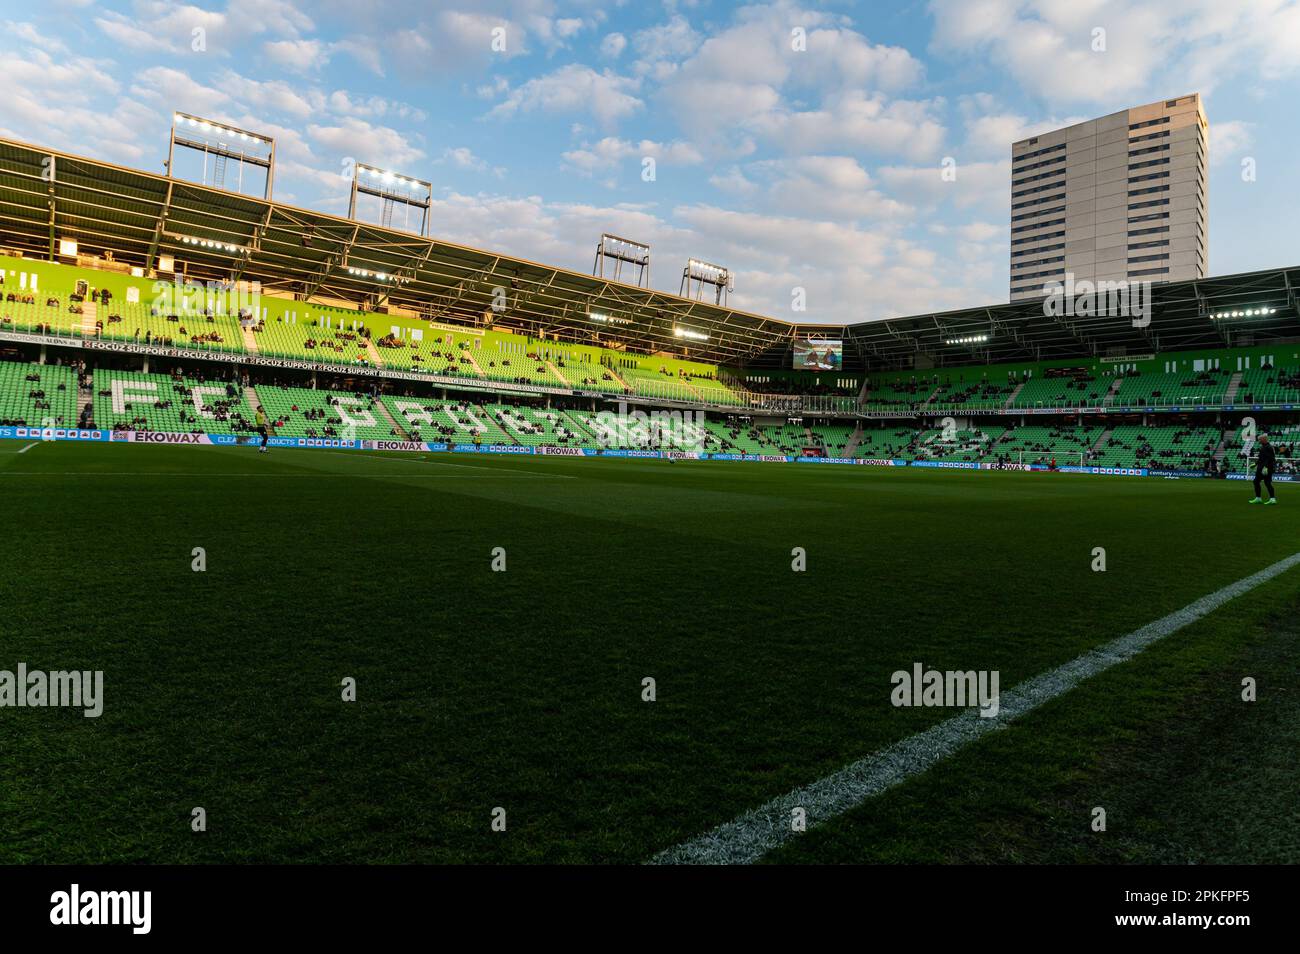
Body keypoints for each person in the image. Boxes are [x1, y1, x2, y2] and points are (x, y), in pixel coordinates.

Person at [1249, 433, 1277, 504]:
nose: (1258, 441)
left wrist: (1266, 467)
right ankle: (1271, 499)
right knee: (1266, 482)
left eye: (1259, 439)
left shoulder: (1268, 447)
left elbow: (1270, 458)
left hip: (1264, 468)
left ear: (1264, 439)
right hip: (1263, 467)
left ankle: (1259, 498)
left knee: (1258, 482)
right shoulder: (1265, 446)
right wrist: (1255, 464)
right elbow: (1262, 458)